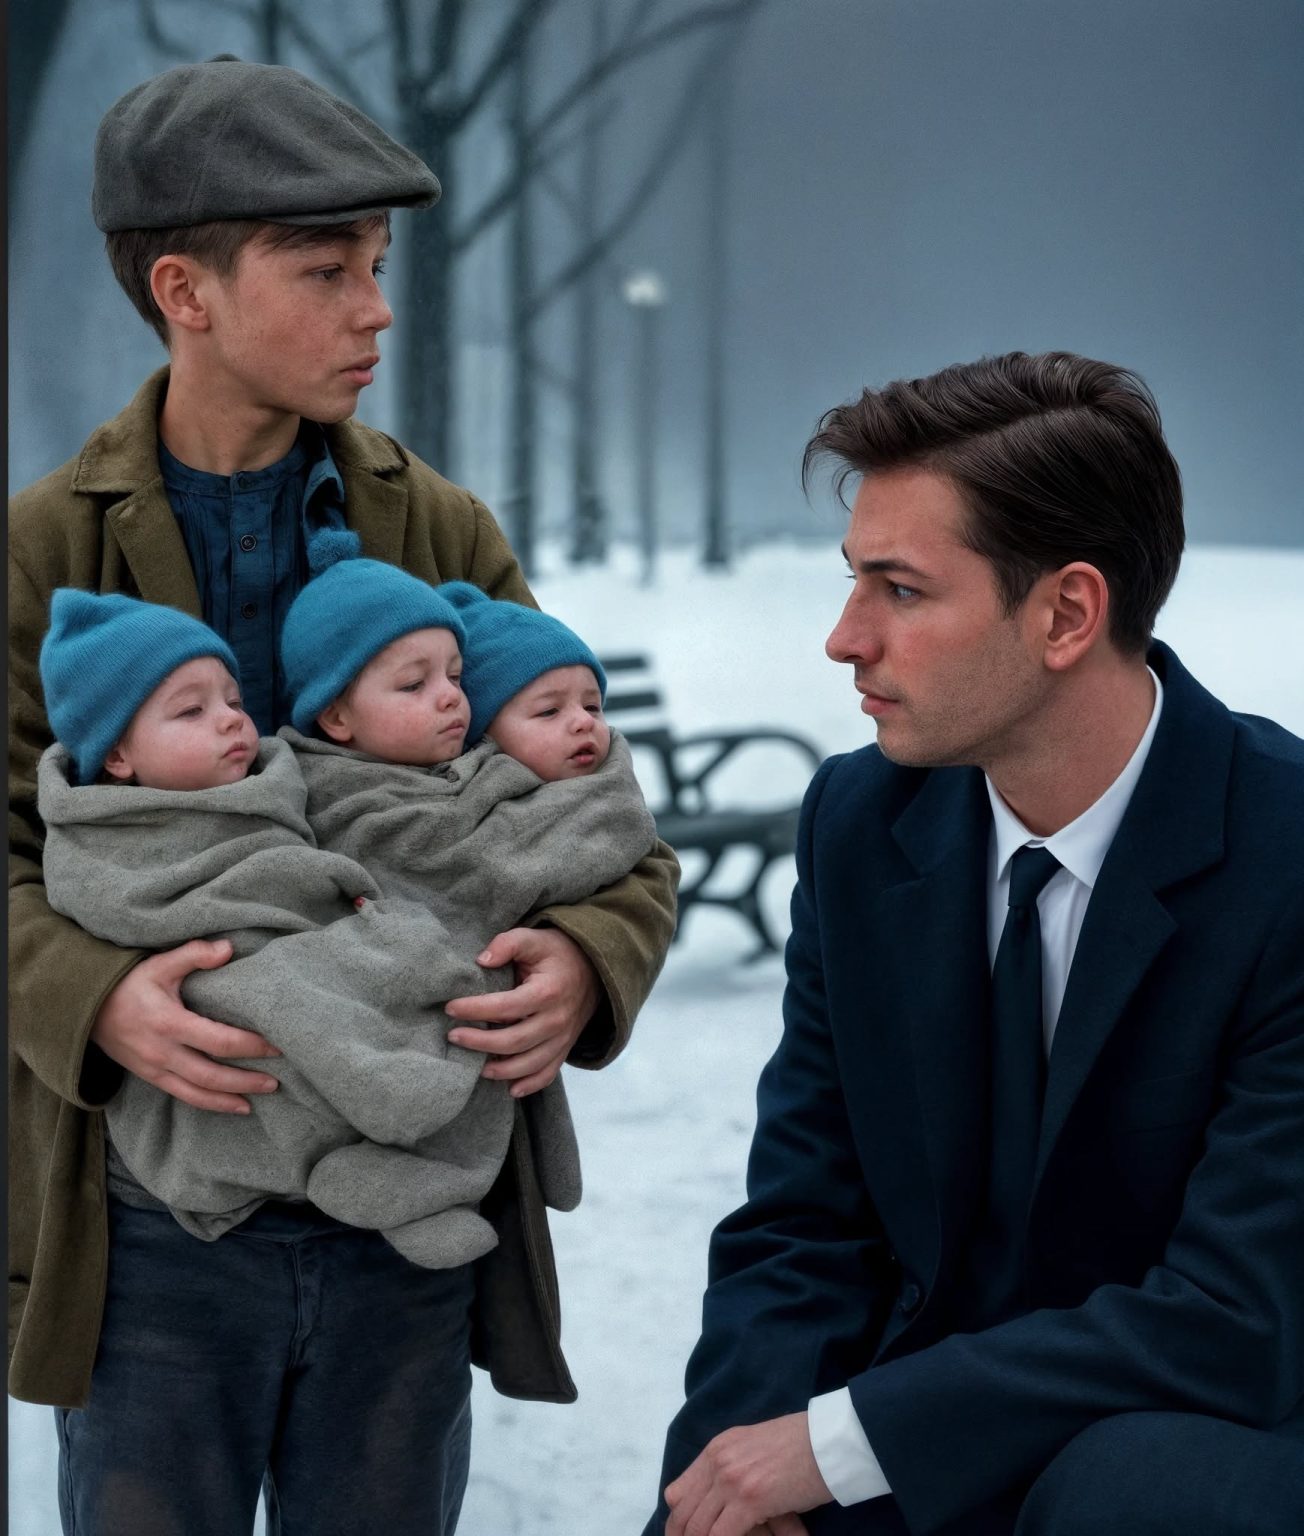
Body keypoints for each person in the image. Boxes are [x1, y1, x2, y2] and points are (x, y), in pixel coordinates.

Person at [8, 55, 678, 1536]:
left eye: (378, 265)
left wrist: (587, 955)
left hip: (411, 1210)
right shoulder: (46, 548)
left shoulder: (436, 527)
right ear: (185, 291)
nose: (376, 309)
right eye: (327, 272)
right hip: (156, 1218)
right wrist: (95, 999)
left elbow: (592, 795)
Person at [648, 351, 1304, 1536]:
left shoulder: (1284, 854)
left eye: (899, 591)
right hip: (922, 1423)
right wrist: (737, 1468)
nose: (843, 639)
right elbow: (803, 1219)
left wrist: (841, 1442)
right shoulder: (862, 822)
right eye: (851, 581)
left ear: (1063, 615)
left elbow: (1233, 1316)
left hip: (1193, 1436)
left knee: (1133, 1498)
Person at [37, 576, 655, 1272]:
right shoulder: (104, 825)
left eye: (235, 701)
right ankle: (378, 1164)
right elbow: (126, 894)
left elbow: (609, 833)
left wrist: (589, 952)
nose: (233, 721)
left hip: (327, 987)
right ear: (116, 756)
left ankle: (403, 1169)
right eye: (192, 711)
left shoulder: (288, 787)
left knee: (451, 999)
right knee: (298, 998)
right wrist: (93, 994)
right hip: (197, 1030)